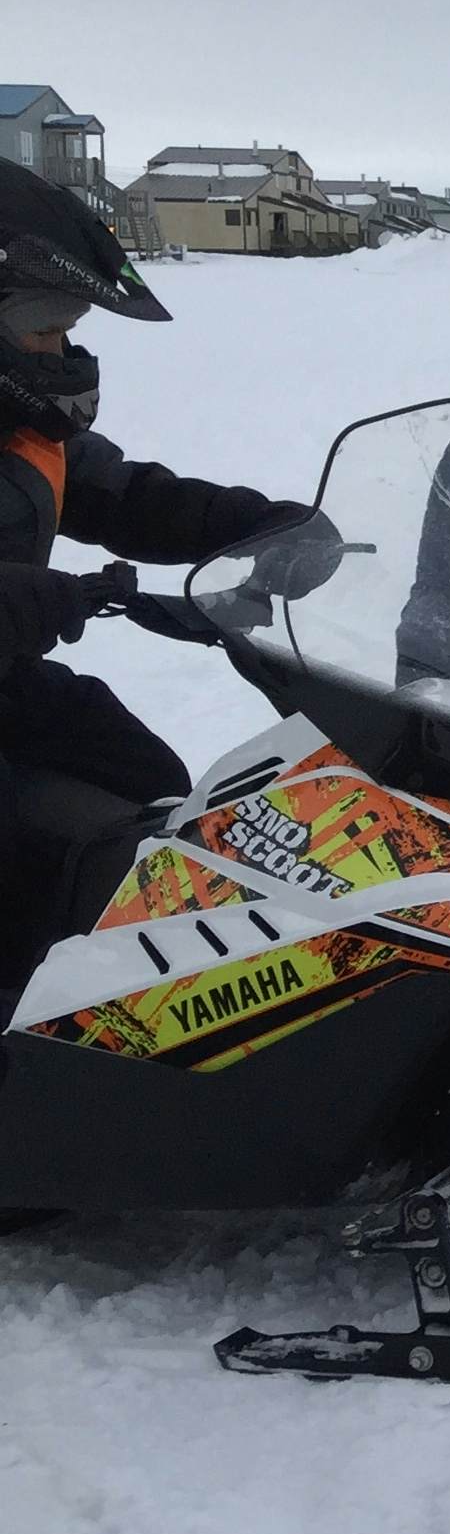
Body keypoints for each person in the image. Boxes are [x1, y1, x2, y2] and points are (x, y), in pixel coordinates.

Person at [0, 162, 315, 998]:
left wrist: (260, 523)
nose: (59, 350)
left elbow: (123, 495)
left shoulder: (23, 430)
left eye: (64, 327)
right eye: (42, 326)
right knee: (65, 842)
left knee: (144, 790)